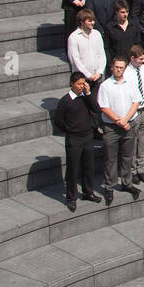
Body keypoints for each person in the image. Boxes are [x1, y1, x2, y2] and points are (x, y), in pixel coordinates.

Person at [51, 72, 101, 211]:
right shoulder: (65, 101)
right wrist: (71, 129)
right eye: (79, 84)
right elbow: (59, 121)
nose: (81, 86)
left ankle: (88, 192)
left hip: (87, 136)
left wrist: (89, 93)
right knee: (73, 168)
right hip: (74, 138)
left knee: (89, 165)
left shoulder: (85, 97)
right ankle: (71, 197)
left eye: (83, 83)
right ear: (72, 84)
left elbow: (96, 109)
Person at [97, 56, 142, 206]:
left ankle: (126, 183)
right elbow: (104, 107)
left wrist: (126, 120)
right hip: (111, 127)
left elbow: (136, 102)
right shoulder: (105, 85)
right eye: (116, 67)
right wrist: (119, 121)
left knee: (128, 156)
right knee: (110, 158)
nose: (119, 70)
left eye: (121, 67)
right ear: (112, 68)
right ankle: (109, 187)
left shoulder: (130, 83)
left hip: (128, 125)